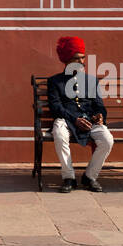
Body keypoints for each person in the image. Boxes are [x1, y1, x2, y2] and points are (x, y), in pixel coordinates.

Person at [45, 36, 114, 192]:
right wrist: (74, 119)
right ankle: (69, 177)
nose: (82, 62)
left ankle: (89, 176)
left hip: (89, 121)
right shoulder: (55, 82)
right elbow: (56, 107)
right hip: (66, 120)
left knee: (107, 139)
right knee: (60, 134)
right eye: (77, 59)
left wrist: (100, 115)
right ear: (67, 60)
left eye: (83, 57)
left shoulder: (91, 81)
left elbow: (99, 105)